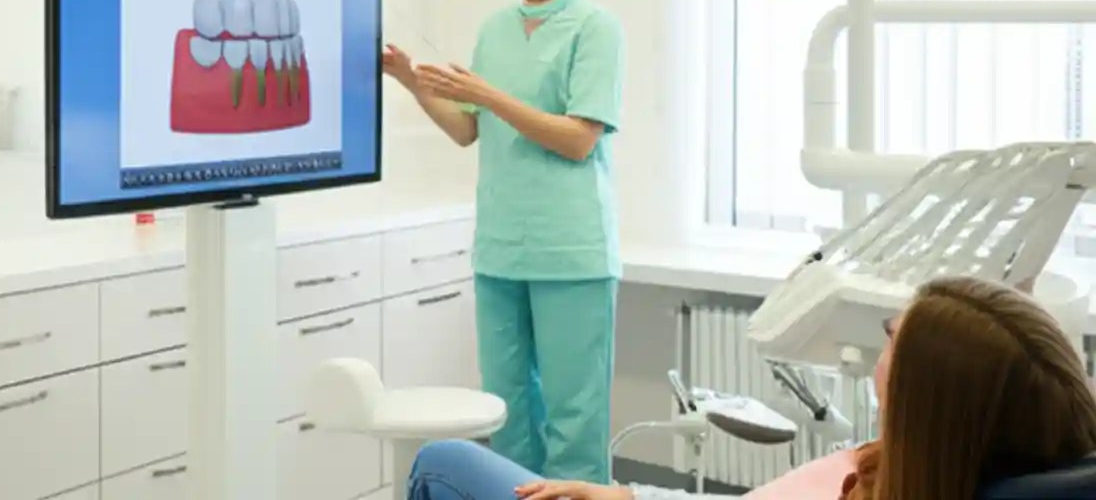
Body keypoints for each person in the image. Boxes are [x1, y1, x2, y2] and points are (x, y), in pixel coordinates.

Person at [405, 275, 1096, 500]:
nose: (882, 341)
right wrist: (625, 493)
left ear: (930, 395)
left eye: (894, 338)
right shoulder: (928, 468)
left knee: (445, 462)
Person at [382, 0, 626, 484]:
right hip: (500, 249)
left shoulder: (595, 28)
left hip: (570, 251)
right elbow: (469, 131)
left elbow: (577, 138)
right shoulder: (495, 29)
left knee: (575, 420)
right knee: (508, 417)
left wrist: (487, 93)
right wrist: (412, 81)